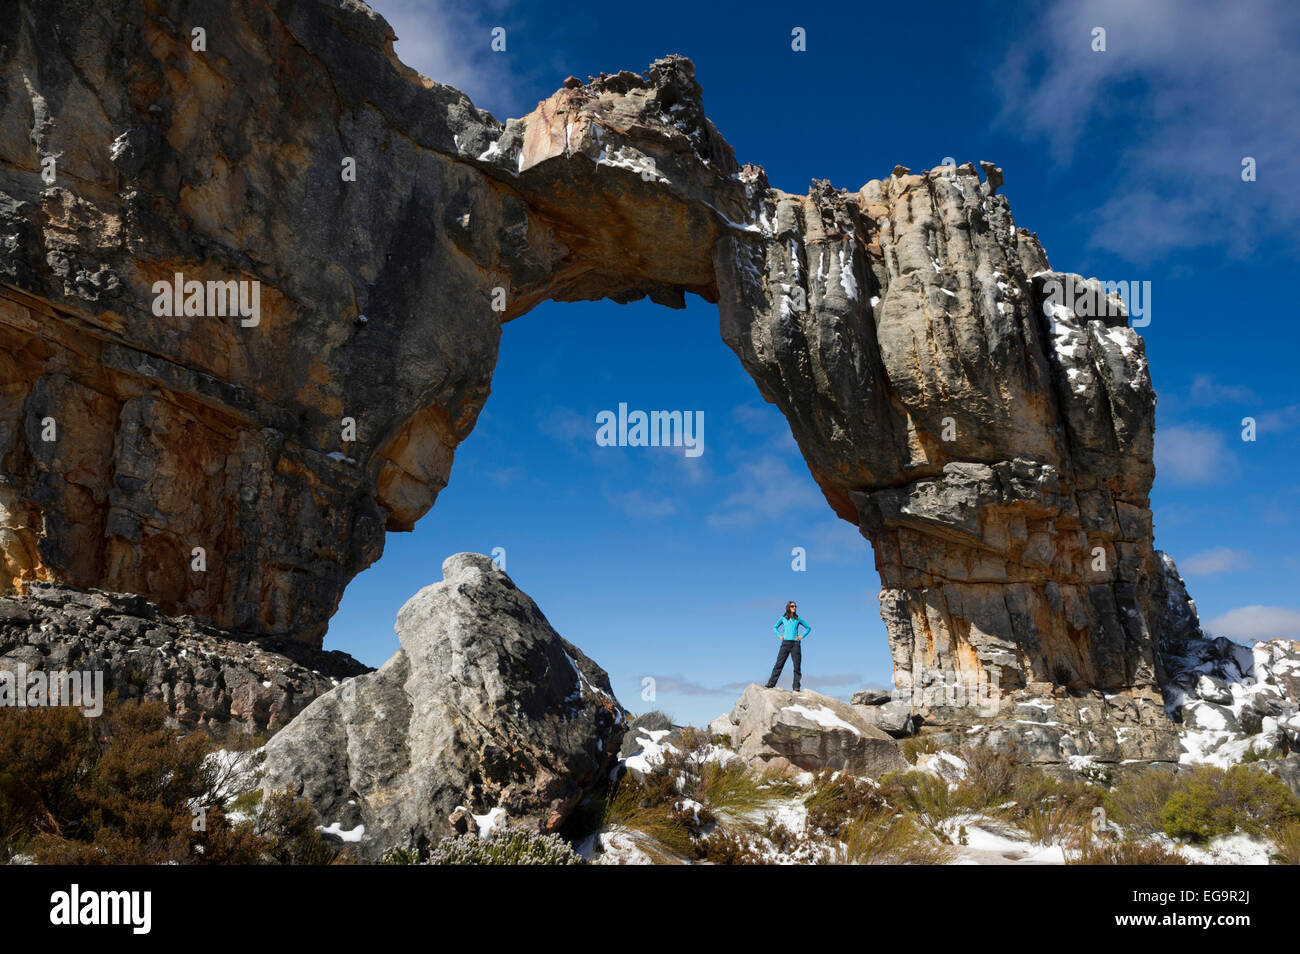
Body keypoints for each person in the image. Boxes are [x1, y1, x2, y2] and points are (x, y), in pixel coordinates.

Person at [765, 601, 810, 691]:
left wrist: (801, 636)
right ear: (788, 608)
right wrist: (780, 636)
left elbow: (808, 628)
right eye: (792, 606)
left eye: (795, 606)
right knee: (779, 664)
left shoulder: (798, 619)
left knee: (797, 666)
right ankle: (771, 683)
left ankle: (796, 686)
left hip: (795, 644)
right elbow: (775, 627)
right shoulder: (783, 618)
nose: (794, 608)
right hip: (785, 643)